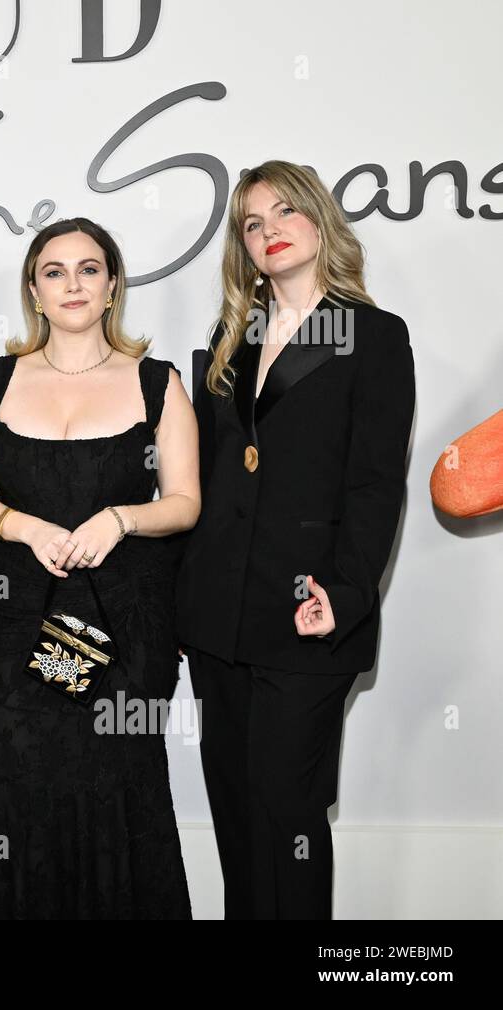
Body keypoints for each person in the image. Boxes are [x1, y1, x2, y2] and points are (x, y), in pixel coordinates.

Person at [176, 160, 415, 919]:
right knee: (239, 816)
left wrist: (345, 596)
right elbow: (210, 479)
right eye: (252, 223)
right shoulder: (230, 337)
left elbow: (377, 485)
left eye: (284, 212)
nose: (270, 231)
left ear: (318, 220)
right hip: (222, 620)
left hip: (308, 614)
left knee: (289, 813)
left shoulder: (373, 337)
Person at [0, 217, 200, 919]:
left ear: (113, 285)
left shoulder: (158, 382)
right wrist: (23, 527)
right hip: (23, 618)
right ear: (33, 289)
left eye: (89, 269)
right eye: (54, 271)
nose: (73, 284)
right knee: (20, 789)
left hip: (124, 624)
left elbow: (184, 502)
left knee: (120, 790)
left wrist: (120, 518)